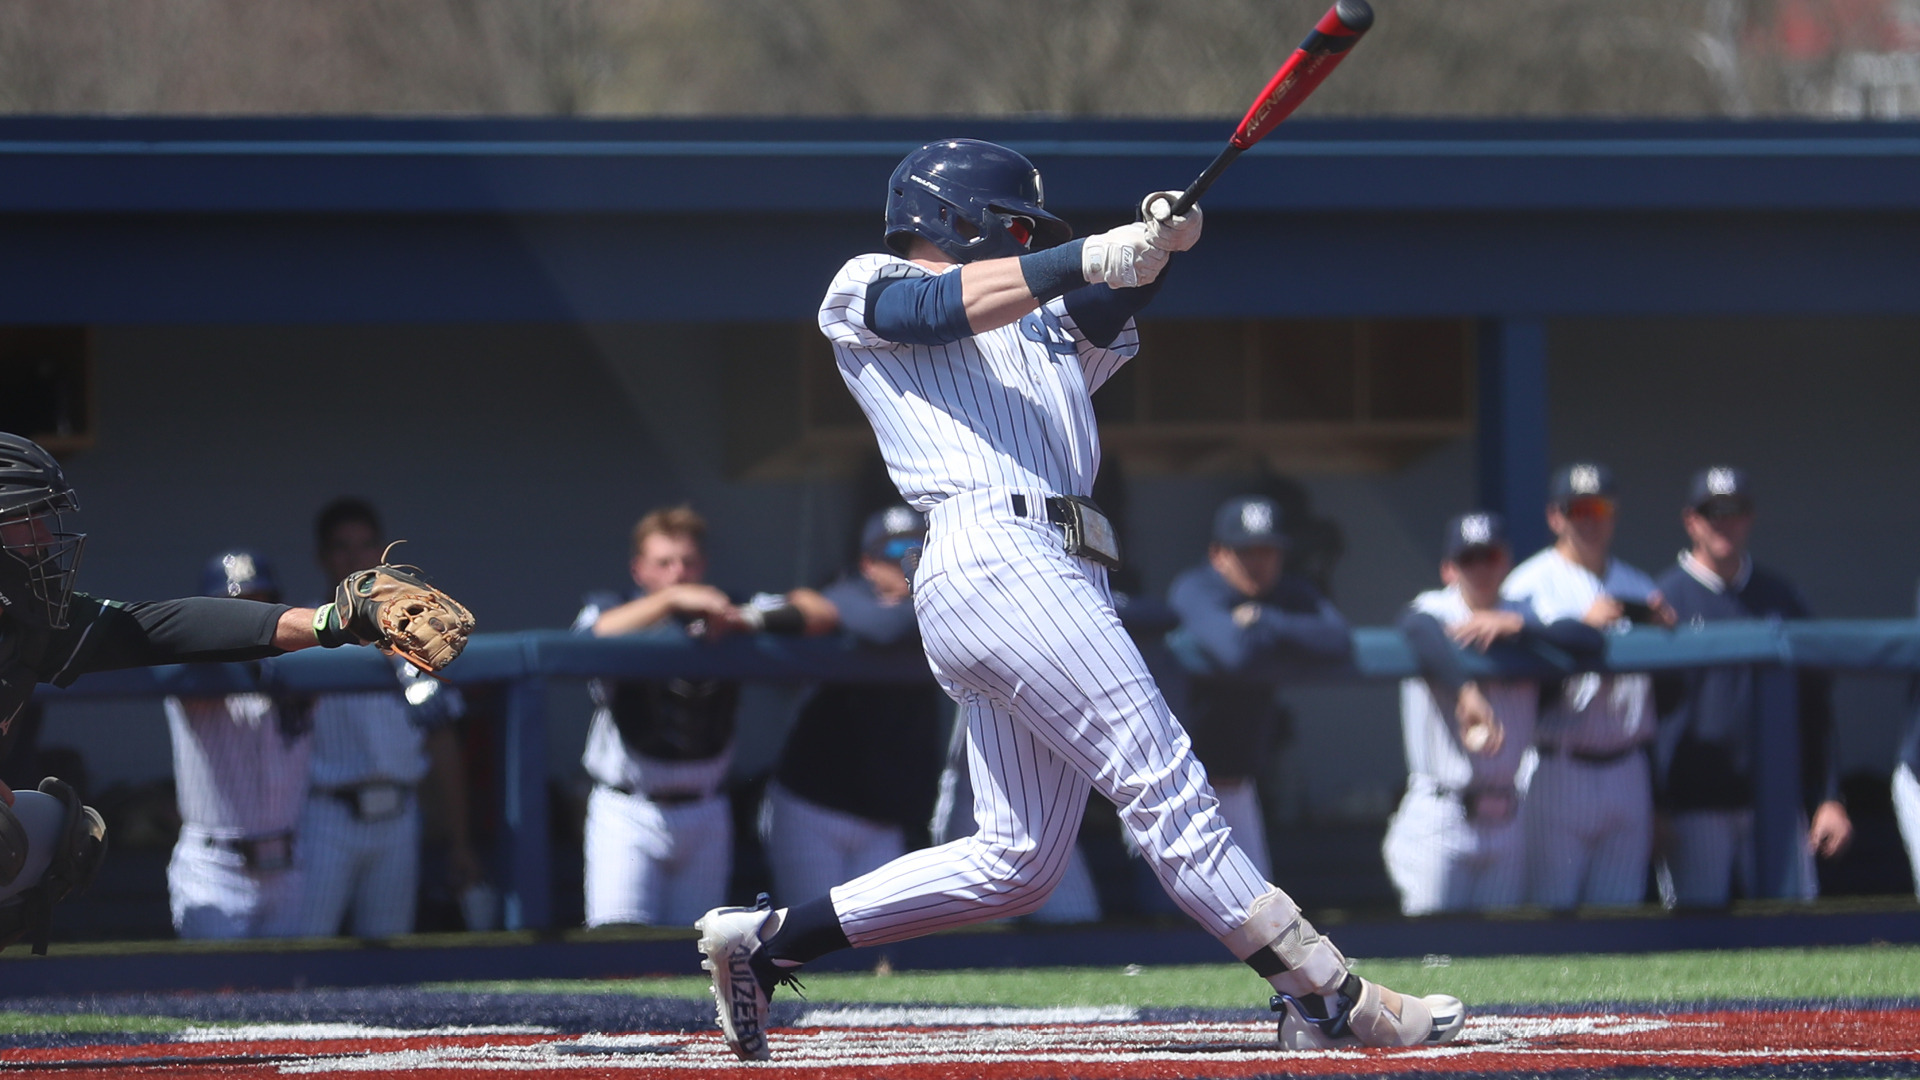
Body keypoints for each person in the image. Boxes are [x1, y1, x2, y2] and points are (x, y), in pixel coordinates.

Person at [694, 138, 1464, 1061]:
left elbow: (1097, 306)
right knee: (1165, 781)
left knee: (1018, 862)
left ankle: (772, 942)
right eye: (1012, 223)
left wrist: (1154, 251)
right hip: (998, 554)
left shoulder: (1035, 318)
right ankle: (1325, 991)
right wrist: (1086, 253)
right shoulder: (870, 280)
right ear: (953, 214)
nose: (1024, 238)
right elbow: (940, 307)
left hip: (1040, 570)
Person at [0, 432, 454, 951]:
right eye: (24, 518)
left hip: (288, 858)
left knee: (61, 835)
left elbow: (168, 625)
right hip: (216, 861)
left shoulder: (34, 624)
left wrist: (335, 621)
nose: (42, 536)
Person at [578, 505, 832, 927]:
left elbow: (819, 611)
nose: (678, 572)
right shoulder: (615, 607)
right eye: (664, 563)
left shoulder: (727, 606)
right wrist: (672, 599)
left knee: (698, 952)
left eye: (687, 562)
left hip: (706, 810)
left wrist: (742, 619)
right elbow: (592, 635)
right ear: (639, 570)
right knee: (616, 948)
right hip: (628, 808)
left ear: (703, 565)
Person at [1385, 512, 1604, 916]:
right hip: (1440, 812)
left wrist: (1519, 625)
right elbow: (1412, 627)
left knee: (1500, 955)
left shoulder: (1524, 610)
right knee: (1433, 956)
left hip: (1506, 817)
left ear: (1505, 561)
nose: (1481, 568)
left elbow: (1589, 639)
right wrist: (1465, 691)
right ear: (1449, 568)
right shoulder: (1434, 609)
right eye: (1469, 559)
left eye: (1490, 556)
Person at [1651, 467, 1851, 907]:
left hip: (1776, 799)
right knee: (1696, 943)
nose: (1724, 521)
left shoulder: (1781, 596)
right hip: (1694, 805)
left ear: (1750, 516)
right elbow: (1645, 714)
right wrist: (1653, 804)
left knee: (1793, 932)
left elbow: (1816, 708)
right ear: (1690, 520)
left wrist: (1829, 797)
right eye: (1712, 512)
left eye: (1734, 510)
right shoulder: (1664, 600)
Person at [294, 497, 477, 939]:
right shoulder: (297, 631)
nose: (355, 557)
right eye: (342, 546)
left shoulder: (419, 633)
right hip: (324, 814)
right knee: (305, 950)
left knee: (389, 957)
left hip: (398, 813)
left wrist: (460, 841)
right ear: (322, 557)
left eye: (365, 545)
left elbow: (443, 739)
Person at [1501, 462, 1675, 910]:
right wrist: (1581, 627)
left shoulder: (1639, 585)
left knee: (1621, 913)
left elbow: (1666, 694)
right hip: (1560, 762)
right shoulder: (1528, 584)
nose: (1591, 518)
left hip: (1628, 765)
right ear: (1555, 516)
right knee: (1551, 910)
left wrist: (1664, 630)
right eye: (1578, 508)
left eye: (1601, 507)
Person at [760, 506, 948, 905]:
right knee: (812, 936)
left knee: (876, 950)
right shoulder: (846, 592)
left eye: (917, 551)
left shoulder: (941, 602)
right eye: (893, 553)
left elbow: (893, 624)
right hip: (814, 806)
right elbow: (884, 628)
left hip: (884, 815)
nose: (905, 564)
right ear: (867, 563)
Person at [1165, 495, 1352, 880]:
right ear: (1218, 553)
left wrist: (1266, 620)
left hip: (1238, 789)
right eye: (1246, 551)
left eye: (1268, 551)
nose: (1260, 563)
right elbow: (1235, 654)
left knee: (1260, 918)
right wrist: (1281, 633)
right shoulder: (1196, 588)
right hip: (1172, 791)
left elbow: (1337, 639)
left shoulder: (1281, 596)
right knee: (1170, 924)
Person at [163, 550, 311, 939]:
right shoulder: (192, 670)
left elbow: (339, 639)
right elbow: (179, 657)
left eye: (260, 606)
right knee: (218, 994)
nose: (250, 620)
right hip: (215, 868)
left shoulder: (304, 667)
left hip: (289, 865)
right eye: (235, 608)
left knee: (291, 995)